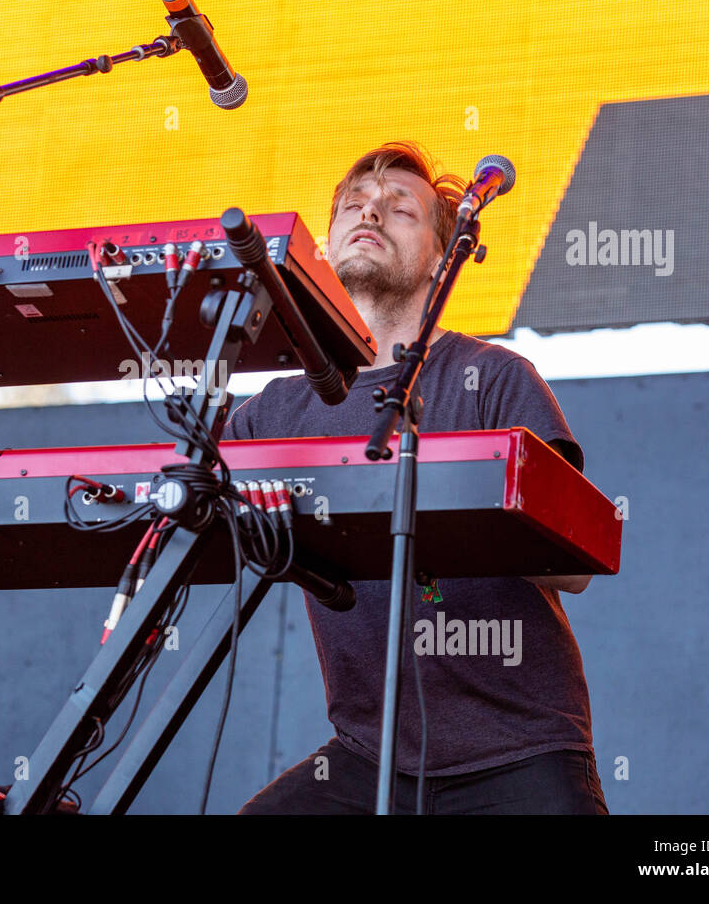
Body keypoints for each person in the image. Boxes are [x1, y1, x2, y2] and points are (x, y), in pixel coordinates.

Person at [228, 142, 608, 814]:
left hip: (518, 752)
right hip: (368, 757)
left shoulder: (493, 376)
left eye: (400, 208)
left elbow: (571, 567)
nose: (371, 211)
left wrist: (439, 497)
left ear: (442, 255)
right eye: (354, 205)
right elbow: (187, 502)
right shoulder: (278, 409)